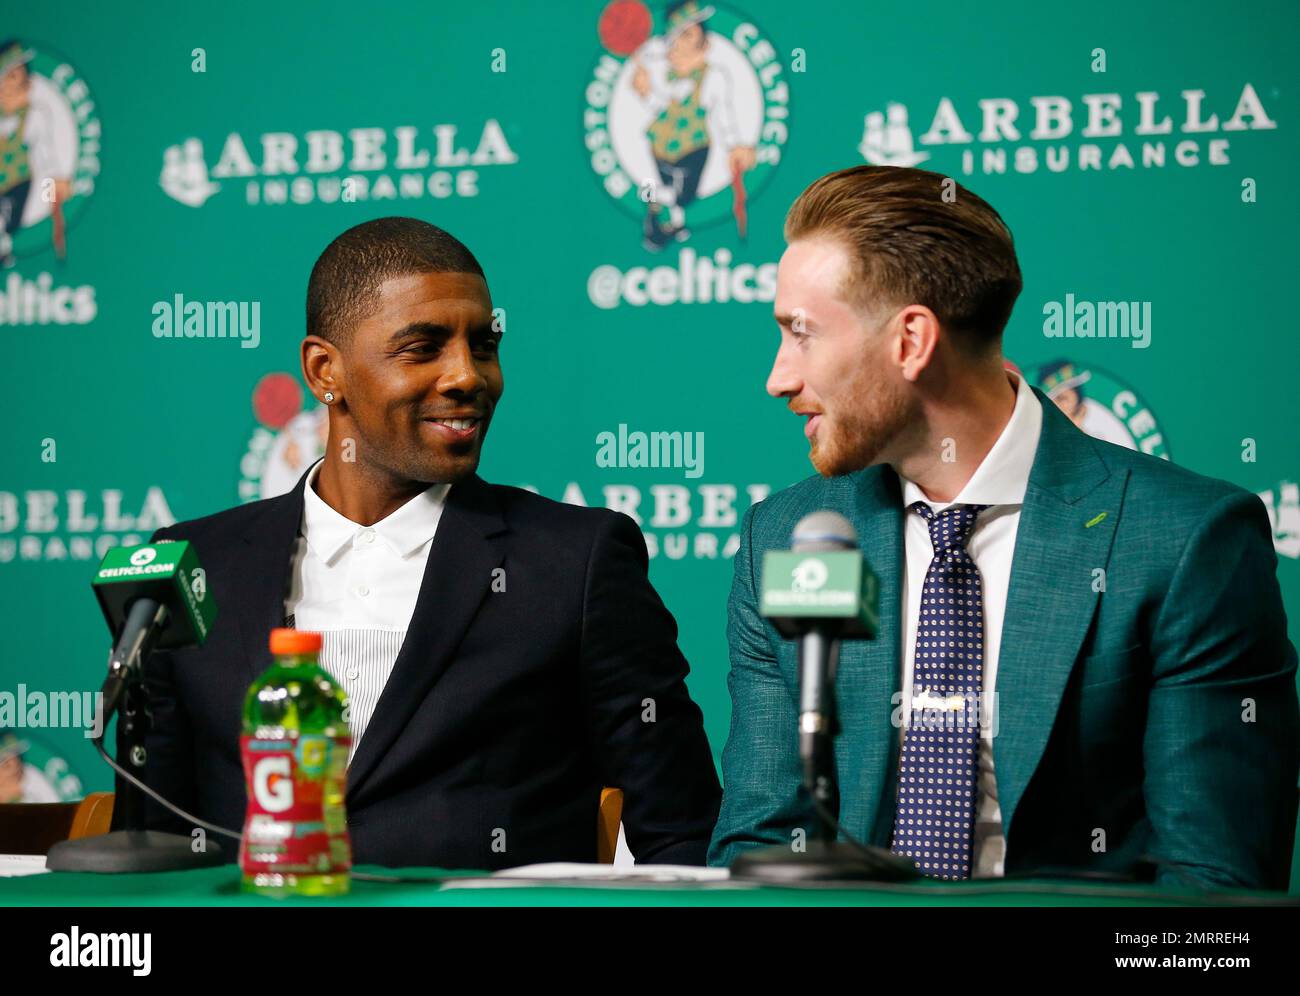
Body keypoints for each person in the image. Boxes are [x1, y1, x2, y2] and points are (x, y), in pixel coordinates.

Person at [708, 164, 1299, 889]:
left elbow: (1214, 896)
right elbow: (763, 845)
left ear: (911, 341)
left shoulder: (1185, 542)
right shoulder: (788, 535)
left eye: (800, 335)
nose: (778, 377)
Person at [113, 217, 721, 869]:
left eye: (484, 346)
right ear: (325, 371)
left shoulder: (579, 561)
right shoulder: (192, 566)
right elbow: (148, 852)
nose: (469, 377)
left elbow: (684, 837)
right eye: (423, 347)